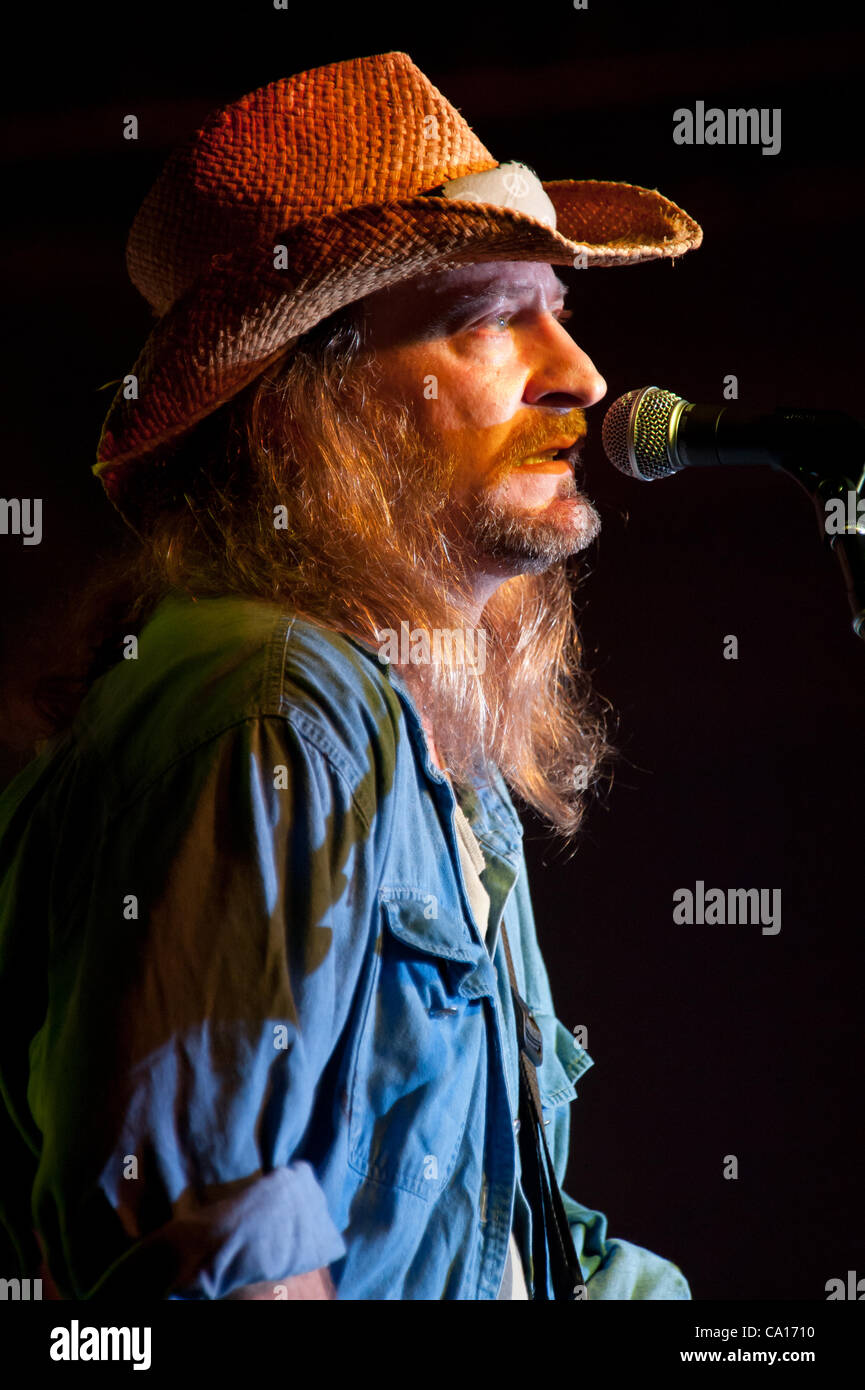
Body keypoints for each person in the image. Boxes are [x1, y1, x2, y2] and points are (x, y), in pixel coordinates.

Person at [0, 51, 703, 1300]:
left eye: (561, 309)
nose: (583, 380)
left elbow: (508, 1246)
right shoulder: (276, 703)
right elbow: (207, 1247)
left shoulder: (432, 744)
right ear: (305, 413)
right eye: (490, 318)